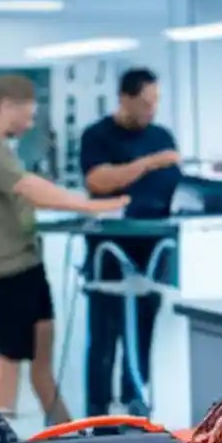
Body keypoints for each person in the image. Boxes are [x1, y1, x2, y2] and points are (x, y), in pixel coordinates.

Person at [0, 75, 127, 424]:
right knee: (10, 359)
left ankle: (68, 440)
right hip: (1, 271)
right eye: (26, 116)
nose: (30, 124)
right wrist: (90, 206)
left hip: (26, 265)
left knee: (41, 363)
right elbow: (30, 187)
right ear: (5, 107)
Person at [79, 68, 182, 417]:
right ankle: (98, 416)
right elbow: (99, 181)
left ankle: (135, 410)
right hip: (109, 253)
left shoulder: (163, 136)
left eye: (156, 102)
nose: (152, 110)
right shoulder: (98, 136)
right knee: (105, 339)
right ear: (124, 98)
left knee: (142, 336)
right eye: (145, 102)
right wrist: (150, 162)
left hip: (152, 252)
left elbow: (175, 188)